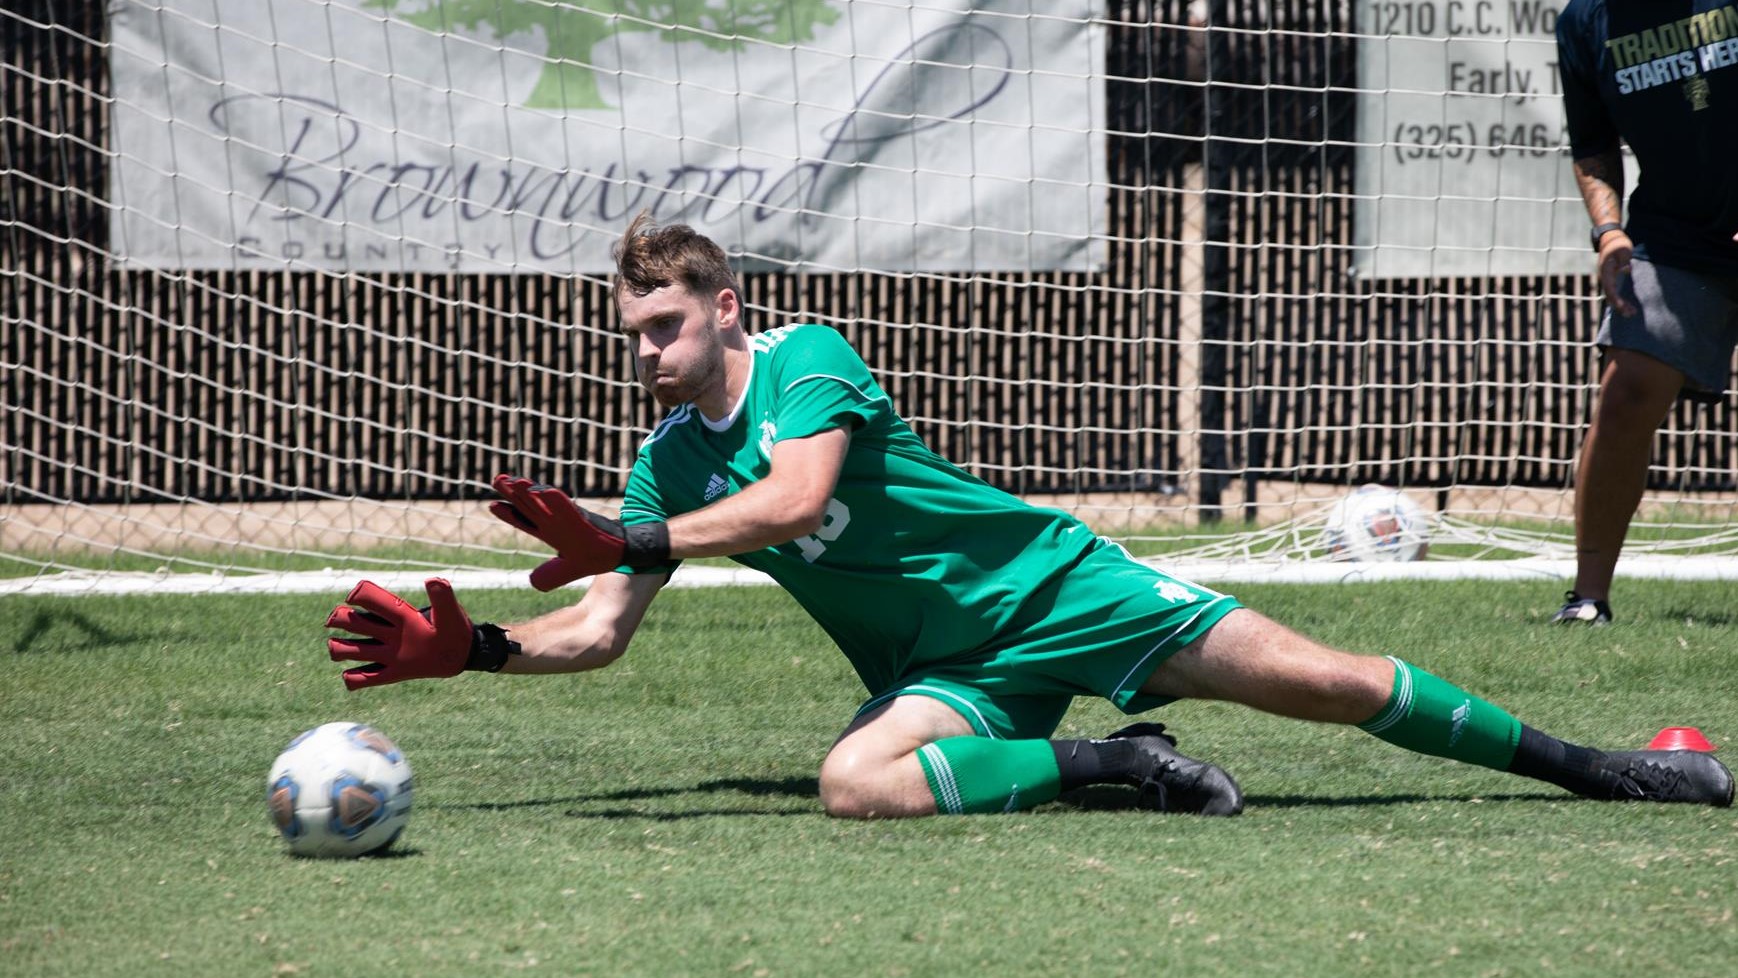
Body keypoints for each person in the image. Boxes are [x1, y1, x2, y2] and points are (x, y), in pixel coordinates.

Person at [324, 214, 1733, 817]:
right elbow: (602, 630)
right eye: (631, 334)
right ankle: (1105, 762)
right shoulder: (658, 468)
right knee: (850, 785)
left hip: (1057, 589)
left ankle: (1609, 769)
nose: (647, 351)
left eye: (666, 325)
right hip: (954, 675)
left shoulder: (808, 358)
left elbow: (794, 499)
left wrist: (624, 540)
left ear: (724, 306)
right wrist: (489, 649)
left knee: (1334, 684)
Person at [1552, 0, 1738, 625]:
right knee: (1628, 388)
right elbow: (1593, 143)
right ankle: (1587, 599)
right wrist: (1608, 232)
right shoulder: (1584, 22)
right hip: (1675, 235)